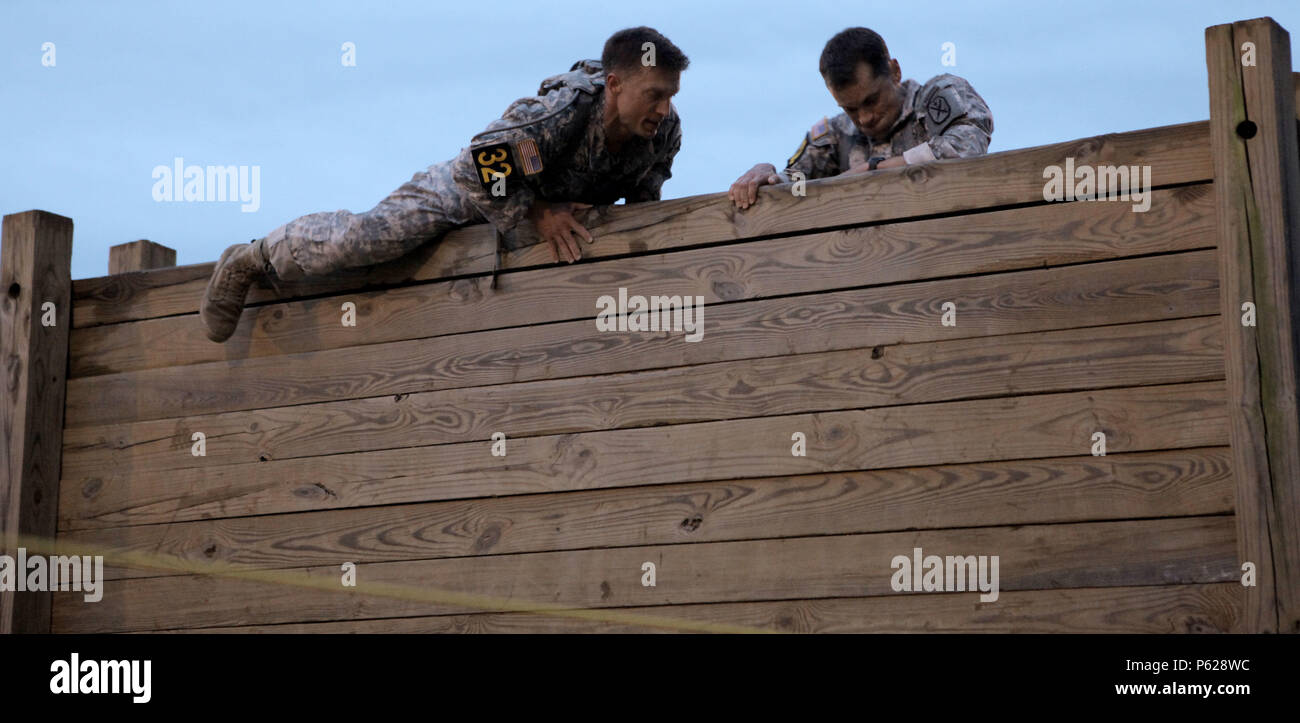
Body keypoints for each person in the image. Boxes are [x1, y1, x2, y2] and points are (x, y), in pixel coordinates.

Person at [201, 26, 688, 343]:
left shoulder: (663, 133)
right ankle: (253, 258)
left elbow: (643, 207)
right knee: (364, 241)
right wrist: (538, 213)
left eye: (670, 96)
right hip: (467, 189)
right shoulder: (562, 113)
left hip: (543, 215)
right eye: (654, 94)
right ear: (615, 85)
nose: (664, 108)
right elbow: (480, 162)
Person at [729, 26, 993, 209]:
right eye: (850, 109)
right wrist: (768, 174)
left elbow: (967, 145)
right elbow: (796, 184)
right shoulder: (833, 135)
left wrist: (874, 169)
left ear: (894, 72)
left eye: (871, 100)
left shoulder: (937, 97)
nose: (864, 118)